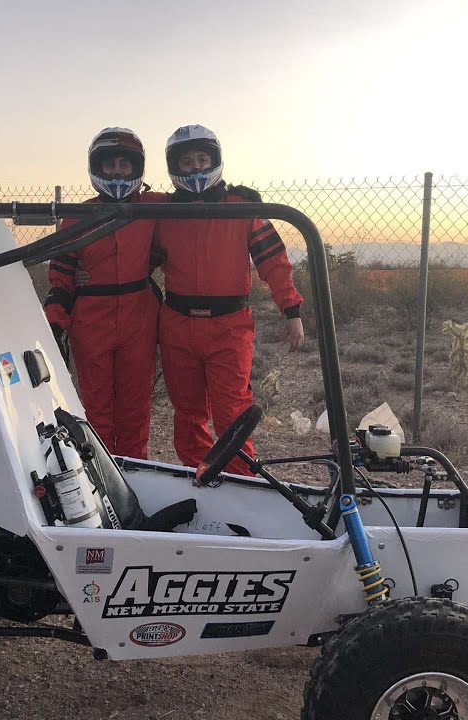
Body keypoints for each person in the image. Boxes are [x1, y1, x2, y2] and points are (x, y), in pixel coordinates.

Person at [152, 125, 305, 475]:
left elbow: (272, 259)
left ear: (215, 160)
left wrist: (291, 309)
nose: (195, 168)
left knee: (232, 411)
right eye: (187, 161)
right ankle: (199, 477)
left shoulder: (240, 206)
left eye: (202, 159)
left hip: (229, 326)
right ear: (175, 166)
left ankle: (240, 480)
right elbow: (138, 259)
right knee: (187, 412)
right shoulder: (165, 214)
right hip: (177, 322)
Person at [45, 128, 167, 459]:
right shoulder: (77, 215)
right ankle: (103, 472)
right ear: (97, 168)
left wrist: (235, 198)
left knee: (136, 403)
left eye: (123, 166)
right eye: (109, 165)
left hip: (138, 314)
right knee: (97, 404)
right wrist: (55, 320)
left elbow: (191, 214)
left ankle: (134, 469)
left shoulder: (154, 206)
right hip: (91, 318)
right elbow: (61, 272)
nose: (116, 172)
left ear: (137, 168)